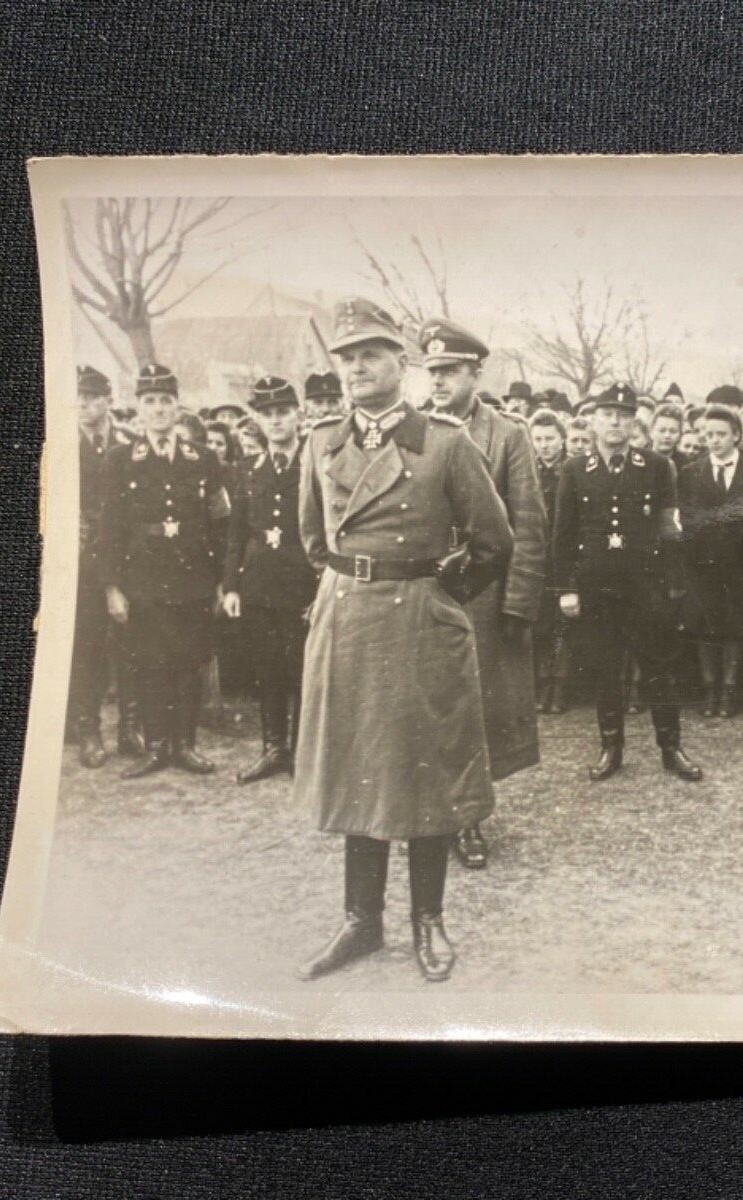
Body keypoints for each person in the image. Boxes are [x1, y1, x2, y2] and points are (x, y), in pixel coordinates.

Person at [293, 298, 514, 984]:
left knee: (426, 774)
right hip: (347, 623)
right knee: (357, 771)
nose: (357, 368)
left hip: (419, 625)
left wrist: (440, 596)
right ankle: (362, 921)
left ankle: (428, 919)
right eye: (347, 358)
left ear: (401, 364)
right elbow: (313, 540)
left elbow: (494, 541)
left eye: (371, 355)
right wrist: (353, 582)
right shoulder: (321, 441)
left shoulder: (445, 442)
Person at [418, 317, 546, 870]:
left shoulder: (508, 435)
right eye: (433, 371)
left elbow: (529, 525)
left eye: (450, 371)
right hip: (423, 593)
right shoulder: (413, 429)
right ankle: (428, 811)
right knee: (426, 705)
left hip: (483, 597)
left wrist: (518, 604)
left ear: (475, 374)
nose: (439, 381)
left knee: (476, 711)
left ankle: (467, 818)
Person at [551, 384, 704, 783]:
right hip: (597, 585)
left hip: (646, 585)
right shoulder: (575, 469)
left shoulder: (656, 466)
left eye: (623, 415)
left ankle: (671, 748)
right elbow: (563, 534)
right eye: (607, 415)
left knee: (659, 667)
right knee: (606, 668)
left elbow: (669, 527)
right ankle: (610, 748)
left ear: (635, 422)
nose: (615, 422)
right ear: (593, 421)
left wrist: (673, 584)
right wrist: (566, 587)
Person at [99, 363, 232, 780]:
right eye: (150, 401)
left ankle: (186, 746)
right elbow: (109, 529)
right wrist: (112, 587)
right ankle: (157, 747)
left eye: (166, 401)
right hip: (143, 580)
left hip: (193, 577)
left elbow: (220, 524)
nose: (158, 409)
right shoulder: (121, 459)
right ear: (139, 407)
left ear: (178, 406)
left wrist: (221, 581)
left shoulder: (203, 458)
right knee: (151, 662)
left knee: (189, 662)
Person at [222, 376, 319, 782]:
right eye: (267, 414)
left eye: (282, 412)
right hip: (259, 584)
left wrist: (322, 587)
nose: (276, 421)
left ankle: (302, 753)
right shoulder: (247, 469)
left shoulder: (315, 465)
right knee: (268, 668)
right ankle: (273, 748)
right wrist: (231, 586)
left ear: (298, 415)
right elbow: (237, 533)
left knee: (302, 669)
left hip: (303, 585)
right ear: (258, 421)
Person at [681, 402, 743, 718]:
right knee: (705, 628)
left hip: (740, 565)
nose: (714, 440)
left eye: (721, 434)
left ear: (736, 435)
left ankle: (729, 691)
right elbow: (684, 523)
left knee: (735, 627)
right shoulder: (690, 473)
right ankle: (710, 690)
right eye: (709, 435)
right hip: (702, 565)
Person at [67, 365, 125, 768]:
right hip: (83, 561)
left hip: (126, 558)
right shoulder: (62, 445)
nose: (83, 404)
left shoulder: (128, 443)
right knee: (86, 646)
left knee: (130, 643)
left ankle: (132, 728)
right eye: (78, 397)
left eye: (91, 396)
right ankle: (89, 731)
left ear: (109, 400)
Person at [528, 410, 573, 713]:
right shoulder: (528, 471)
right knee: (539, 624)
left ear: (562, 439)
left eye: (550, 438)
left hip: (563, 556)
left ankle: (560, 686)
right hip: (536, 557)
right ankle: (542, 684)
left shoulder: (572, 470)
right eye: (539, 439)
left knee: (563, 625)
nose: (544, 445)